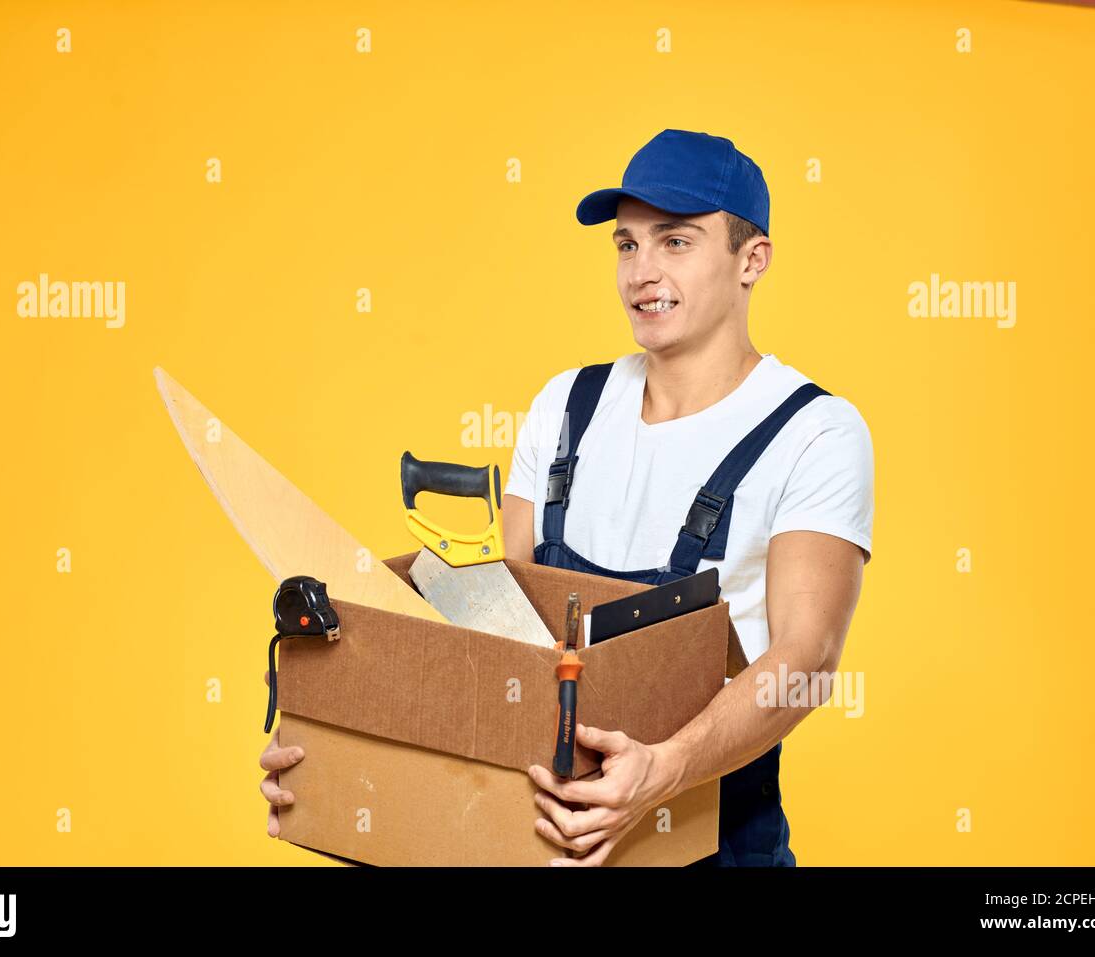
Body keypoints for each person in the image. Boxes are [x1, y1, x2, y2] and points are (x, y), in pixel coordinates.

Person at [259, 128, 874, 866]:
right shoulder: (567, 406)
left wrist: (664, 769)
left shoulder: (814, 431)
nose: (642, 272)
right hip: (539, 832)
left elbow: (808, 657)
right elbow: (490, 635)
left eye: (675, 242)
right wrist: (343, 737)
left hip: (711, 835)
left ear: (752, 259)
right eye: (626, 245)